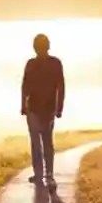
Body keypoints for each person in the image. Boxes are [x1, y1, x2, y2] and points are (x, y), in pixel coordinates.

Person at [21, 33, 65, 188]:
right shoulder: (54, 63)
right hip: (43, 109)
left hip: (39, 109)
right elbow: (61, 87)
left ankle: (42, 174)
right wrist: (59, 107)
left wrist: (23, 106)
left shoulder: (32, 64)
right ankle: (46, 174)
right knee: (45, 143)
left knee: (38, 143)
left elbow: (24, 87)